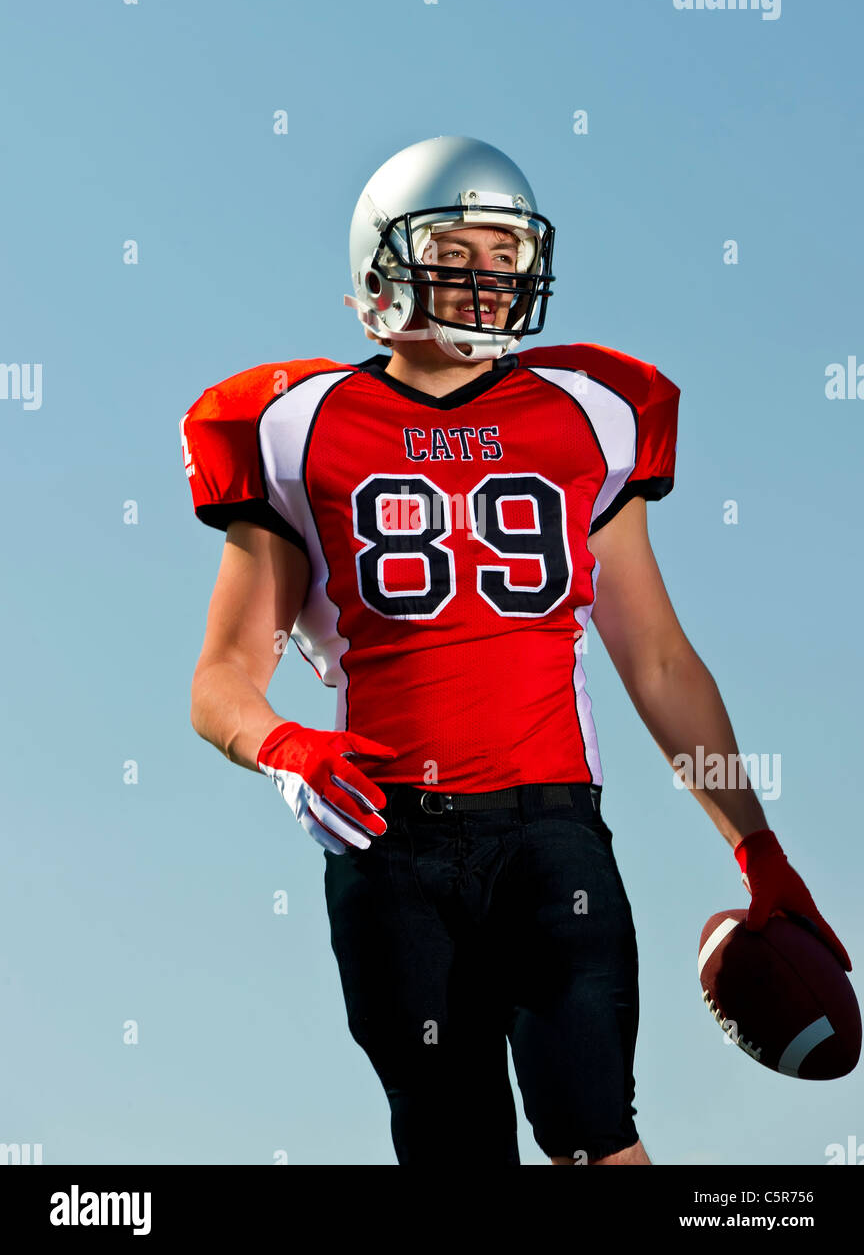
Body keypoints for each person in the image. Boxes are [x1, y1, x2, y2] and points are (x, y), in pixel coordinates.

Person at [180, 135, 850, 1166]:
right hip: (390, 839)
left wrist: (758, 849)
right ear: (382, 269)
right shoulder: (296, 426)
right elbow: (223, 677)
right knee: (451, 1145)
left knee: (597, 1136)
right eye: (457, 251)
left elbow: (659, 661)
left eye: (507, 255)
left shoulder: (588, 414)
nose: (488, 278)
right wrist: (284, 747)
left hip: (551, 832)